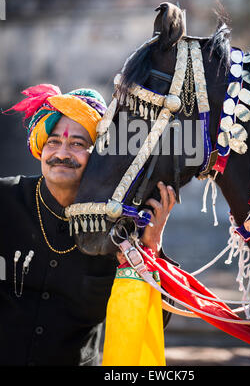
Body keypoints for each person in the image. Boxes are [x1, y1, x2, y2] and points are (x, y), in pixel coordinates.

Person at [0, 84, 176, 366]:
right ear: (40, 148)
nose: (62, 153)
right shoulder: (5, 200)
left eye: (78, 144)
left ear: (98, 159)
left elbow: (152, 318)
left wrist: (151, 250)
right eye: (53, 141)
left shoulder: (118, 230)